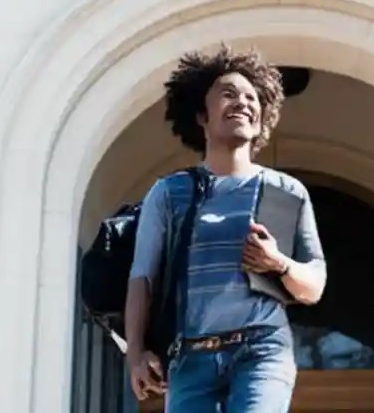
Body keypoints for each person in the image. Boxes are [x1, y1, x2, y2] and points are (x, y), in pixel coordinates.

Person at [124, 45, 327, 412]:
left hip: (262, 350)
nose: (243, 102)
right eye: (229, 94)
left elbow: (313, 286)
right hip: (189, 356)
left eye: (252, 97)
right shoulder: (170, 192)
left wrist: (278, 263)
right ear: (202, 114)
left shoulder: (286, 191)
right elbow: (143, 278)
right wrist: (136, 352)